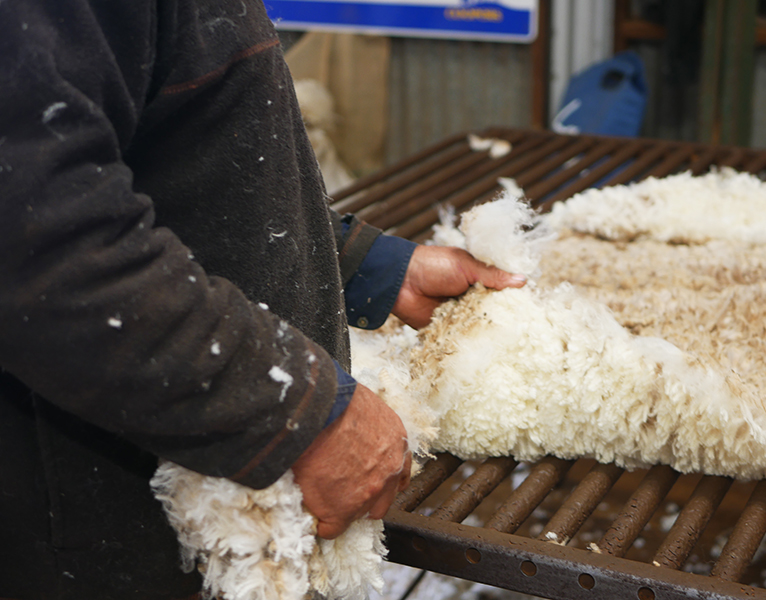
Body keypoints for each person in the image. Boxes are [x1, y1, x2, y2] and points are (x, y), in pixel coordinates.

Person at [0, 1, 525, 598]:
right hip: (101, 530)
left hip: (195, 507)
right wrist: (297, 414)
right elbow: (35, 242)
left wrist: (369, 265)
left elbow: (175, 166)